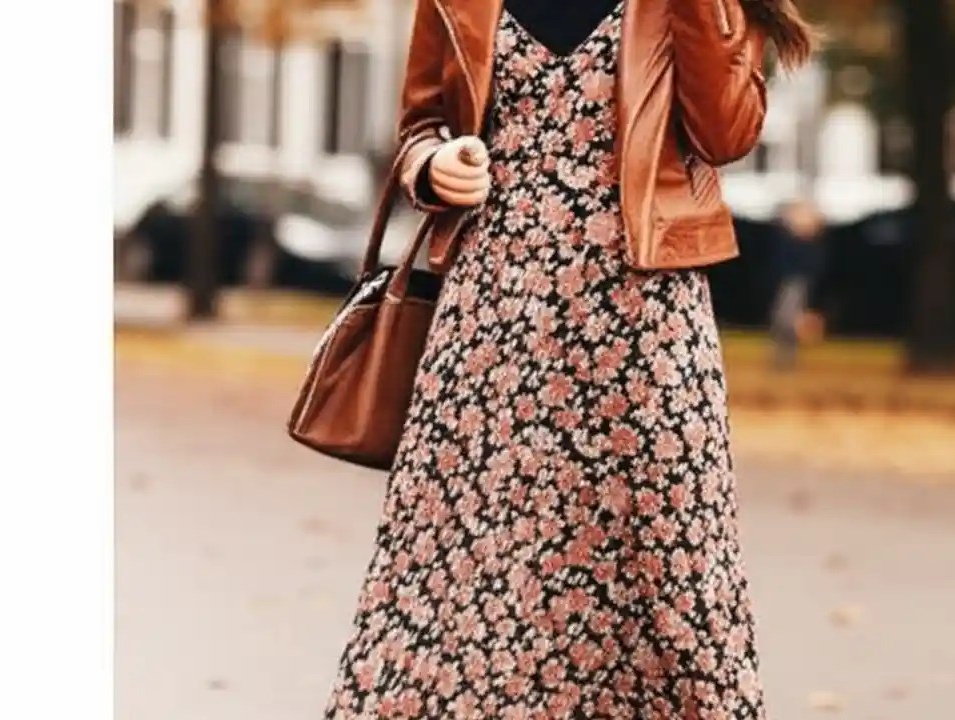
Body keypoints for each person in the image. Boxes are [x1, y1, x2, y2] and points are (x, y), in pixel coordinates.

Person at [321, 1, 814, 717]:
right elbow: (420, 128)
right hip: (492, 319)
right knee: (466, 570)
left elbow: (726, 132)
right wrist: (435, 166)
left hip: (644, 327)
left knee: (666, 571)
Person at [769, 197, 827, 370]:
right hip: (791, 283)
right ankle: (784, 359)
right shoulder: (795, 245)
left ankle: (786, 360)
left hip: (797, 284)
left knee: (787, 321)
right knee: (782, 321)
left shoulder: (807, 248)